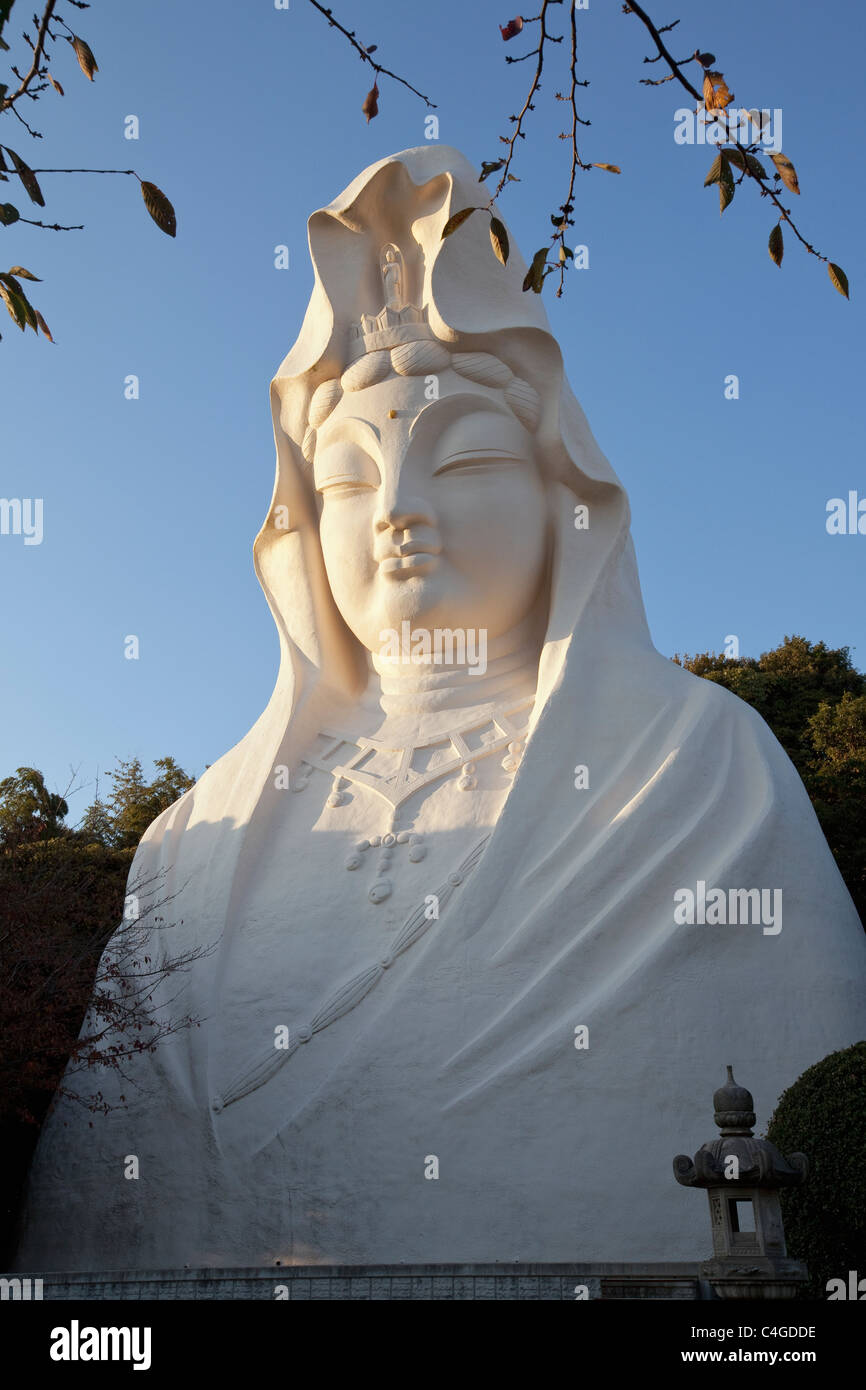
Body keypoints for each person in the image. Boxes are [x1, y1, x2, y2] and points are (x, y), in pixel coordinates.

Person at [16, 146, 866, 1272]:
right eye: (351, 480)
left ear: (562, 500)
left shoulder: (696, 765)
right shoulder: (188, 840)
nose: (397, 514)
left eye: (462, 461)